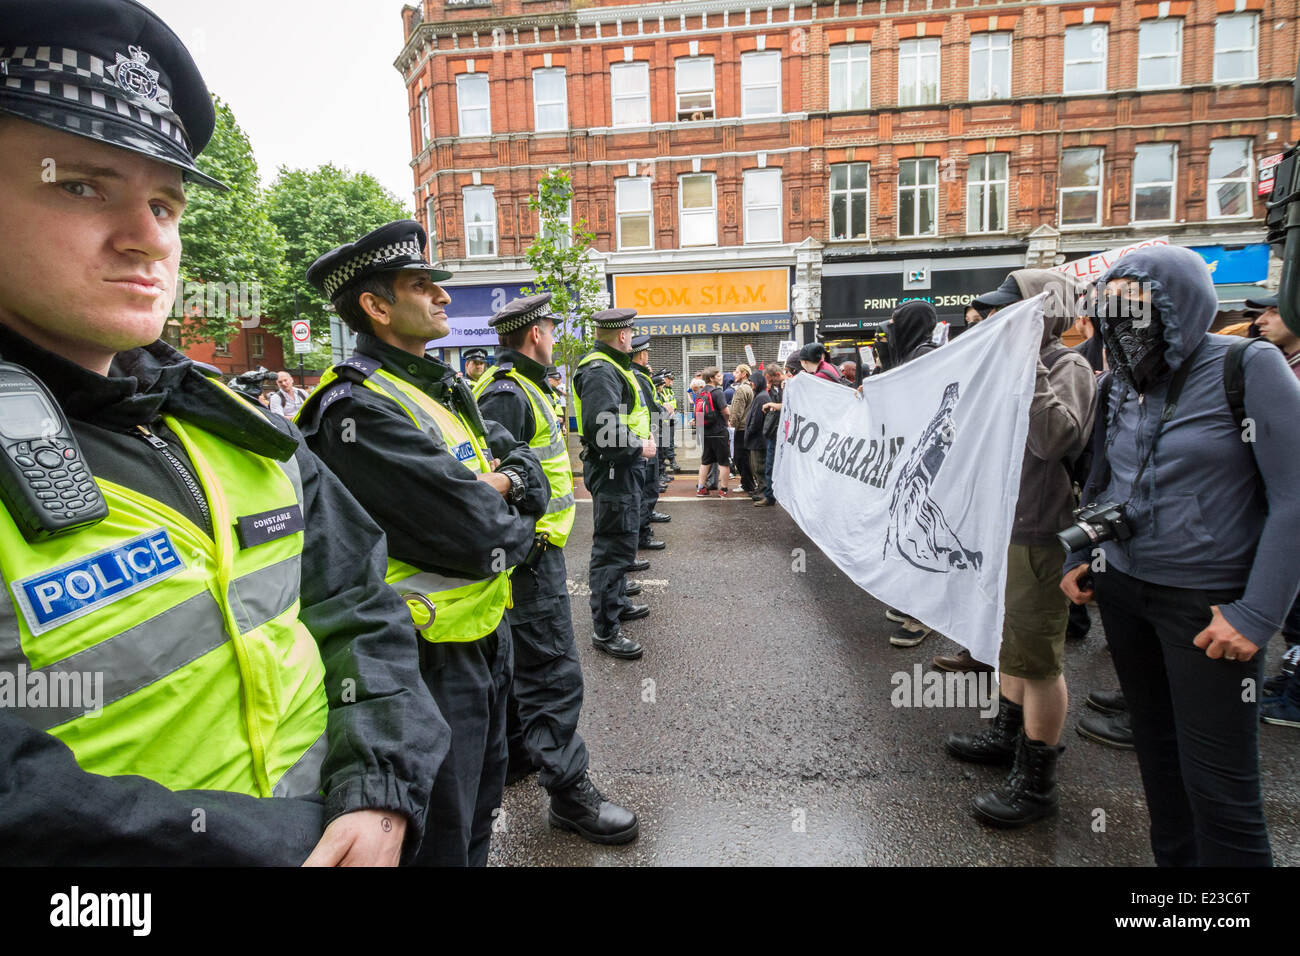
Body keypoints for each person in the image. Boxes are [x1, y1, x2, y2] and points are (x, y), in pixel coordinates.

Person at [0, 0, 446, 866]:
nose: (146, 239)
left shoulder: (226, 426)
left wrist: (379, 792)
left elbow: (359, 606)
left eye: (165, 204)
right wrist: (280, 846)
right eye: (81, 185)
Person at [296, 220, 550, 866]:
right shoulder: (355, 409)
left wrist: (504, 482)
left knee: (480, 812)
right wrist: (505, 497)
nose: (442, 297)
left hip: (485, 638)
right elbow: (481, 532)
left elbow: (527, 470)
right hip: (425, 658)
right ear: (376, 307)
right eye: (421, 286)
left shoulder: (439, 386)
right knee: (442, 834)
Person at [1061, 245, 1300, 865]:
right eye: (1110, 310)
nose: (1121, 324)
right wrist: (1081, 555)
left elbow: (1295, 496)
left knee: (1221, 790)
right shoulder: (1117, 381)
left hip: (1207, 608)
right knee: (1160, 768)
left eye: (1137, 309)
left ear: (1184, 306)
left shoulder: (1249, 366)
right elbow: (1104, 480)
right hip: (1124, 593)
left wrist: (1257, 615)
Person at [471, 294, 638, 843]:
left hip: (531, 552)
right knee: (552, 676)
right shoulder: (505, 393)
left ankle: (522, 757)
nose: (552, 332)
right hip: (528, 559)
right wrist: (524, 545)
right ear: (535, 334)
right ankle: (569, 796)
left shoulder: (523, 387)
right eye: (548, 325)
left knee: (526, 665)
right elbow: (490, 487)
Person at [943, 271, 1096, 828]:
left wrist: (1028, 363)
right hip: (1001, 529)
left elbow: (1056, 439)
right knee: (1011, 644)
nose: (998, 320)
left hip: (1039, 534)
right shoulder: (1012, 364)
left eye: (1014, 311)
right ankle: (1008, 735)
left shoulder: (1066, 366)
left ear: (1041, 315)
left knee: (1038, 659)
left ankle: (1037, 783)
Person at [572, 309, 654, 660]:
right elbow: (603, 429)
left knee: (622, 541)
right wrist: (641, 445)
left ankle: (616, 603)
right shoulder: (600, 369)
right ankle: (605, 629)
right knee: (612, 548)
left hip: (620, 469)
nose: (633, 337)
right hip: (613, 470)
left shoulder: (610, 365)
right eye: (631, 332)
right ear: (622, 335)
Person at [630, 334, 669, 546]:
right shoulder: (639, 377)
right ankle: (642, 535)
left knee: (648, 488)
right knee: (647, 488)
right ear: (641, 354)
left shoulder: (638, 375)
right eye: (646, 353)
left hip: (645, 437)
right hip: (642, 441)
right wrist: (664, 412)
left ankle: (643, 529)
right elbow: (652, 408)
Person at [695, 366, 731, 497]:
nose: (721, 378)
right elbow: (726, 411)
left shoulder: (700, 393)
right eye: (718, 376)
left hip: (705, 432)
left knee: (705, 461)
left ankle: (700, 488)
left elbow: (698, 415)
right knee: (723, 462)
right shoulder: (717, 392)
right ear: (711, 378)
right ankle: (724, 489)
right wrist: (727, 421)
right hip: (719, 431)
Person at [758, 365, 786, 507]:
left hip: (780, 433)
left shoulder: (787, 385)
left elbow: (788, 405)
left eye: (770, 380)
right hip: (776, 432)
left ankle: (770, 496)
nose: (769, 384)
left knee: (771, 465)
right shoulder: (780, 387)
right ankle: (769, 495)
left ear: (776, 374)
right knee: (770, 465)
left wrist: (772, 404)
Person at [743, 369, 770, 502]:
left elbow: (756, 421)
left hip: (758, 439)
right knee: (757, 466)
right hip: (757, 439)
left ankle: (763, 491)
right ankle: (761, 488)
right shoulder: (759, 395)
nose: (750, 383)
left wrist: (748, 433)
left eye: (752, 381)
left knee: (759, 466)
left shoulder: (761, 397)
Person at [729, 364, 755, 492]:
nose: (734, 373)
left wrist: (732, 428)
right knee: (745, 457)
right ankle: (746, 482)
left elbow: (737, 412)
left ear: (744, 373)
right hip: (747, 427)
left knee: (740, 458)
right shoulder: (750, 387)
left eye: (736, 371)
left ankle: (748, 485)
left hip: (740, 428)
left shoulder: (741, 390)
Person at [656, 370, 681, 473]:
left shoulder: (669, 390)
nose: (672, 381)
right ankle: (672, 461)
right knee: (667, 441)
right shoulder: (661, 390)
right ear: (664, 379)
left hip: (671, 416)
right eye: (670, 379)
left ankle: (666, 461)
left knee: (669, 441)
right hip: (664, 417)